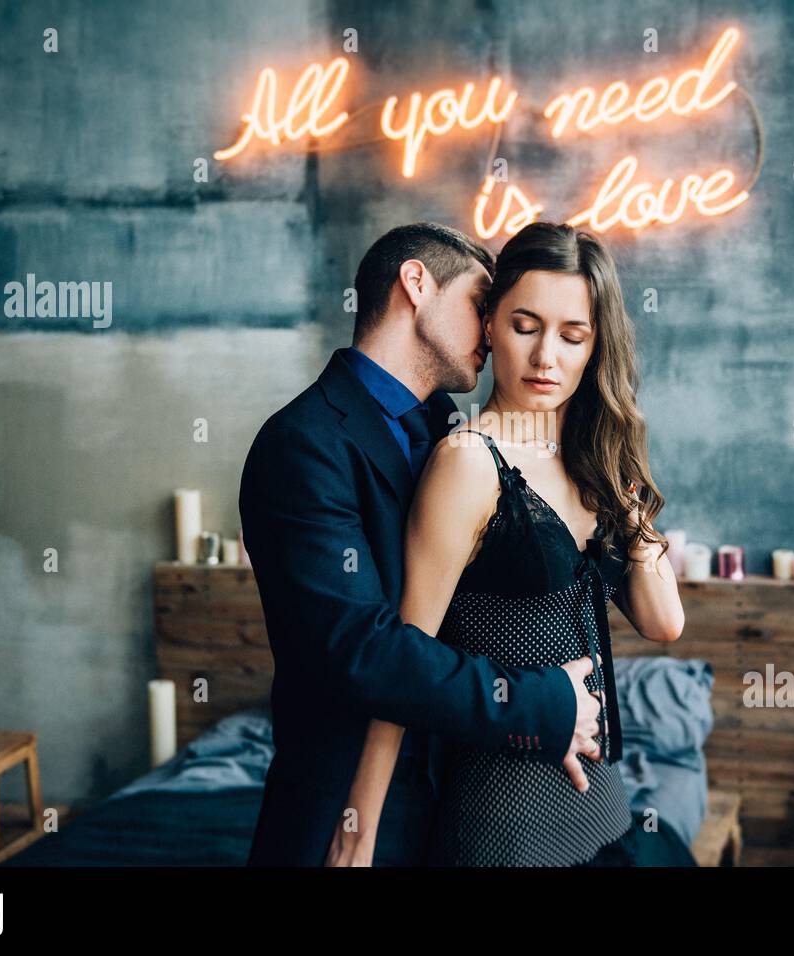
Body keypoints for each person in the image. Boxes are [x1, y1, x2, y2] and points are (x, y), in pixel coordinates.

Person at [239, 222, 607, 867]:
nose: (493, 330)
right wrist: (545, 701)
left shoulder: (448, 428)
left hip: (462, 800)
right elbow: (361, 649)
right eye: (479, 302)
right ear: (416, 284)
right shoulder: (303, 444)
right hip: (342, 810)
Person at [330, 221, 686, 866]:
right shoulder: (467, 463)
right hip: (505, 824)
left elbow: (664, 622)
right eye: (526, 326)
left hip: (604, 813)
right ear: (489, 325)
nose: (547, 356)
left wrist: (621, 482)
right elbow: (404, 661)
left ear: (595, 348)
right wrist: (358, 831)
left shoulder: (593, 463)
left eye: (573, 336)